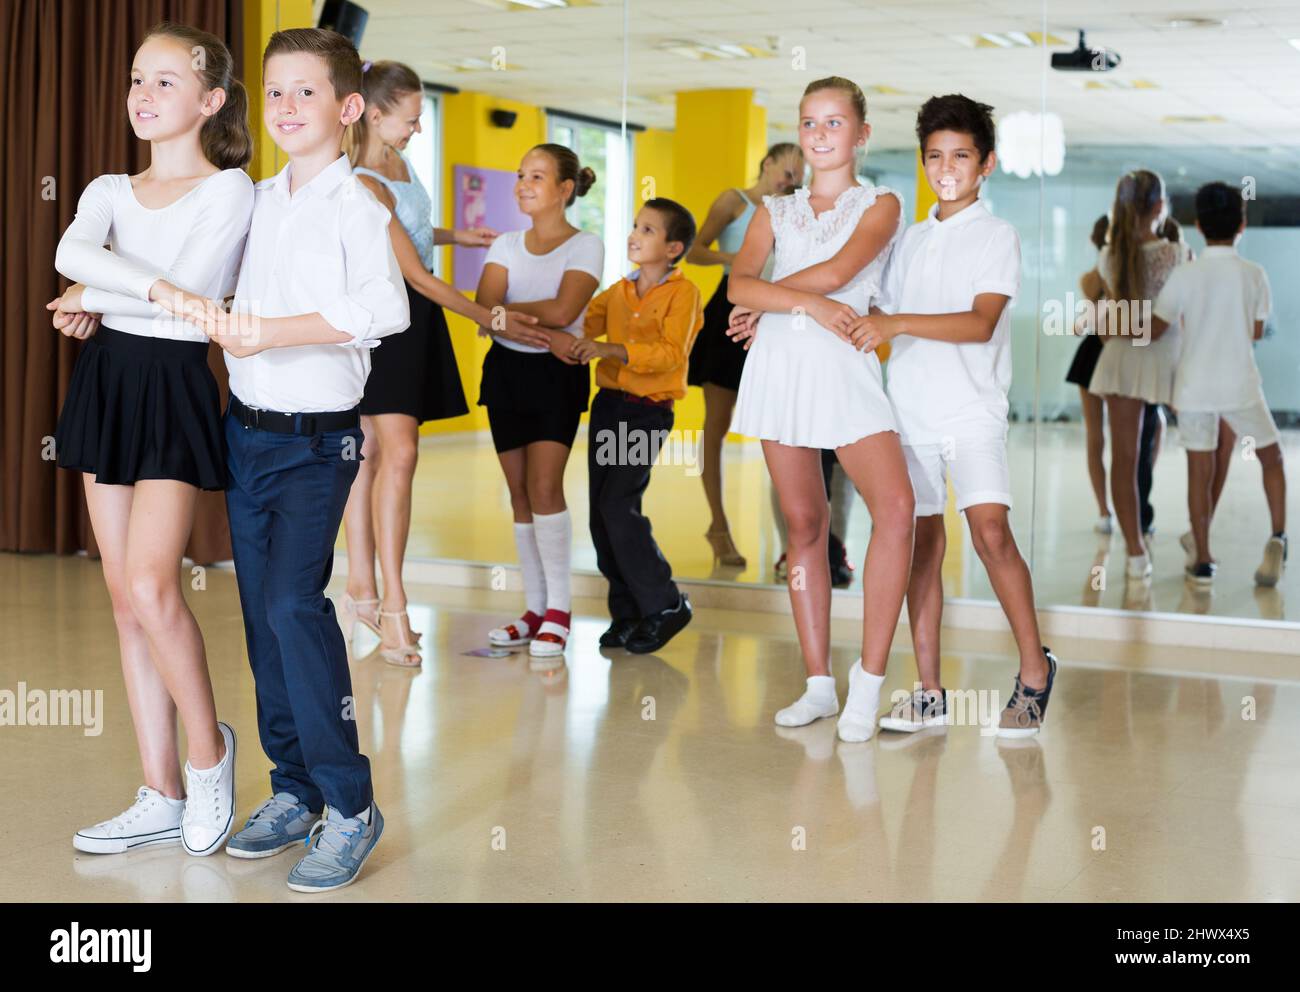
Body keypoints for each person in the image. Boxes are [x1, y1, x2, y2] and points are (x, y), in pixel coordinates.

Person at [183, 27, 408, 891]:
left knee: (292, 608)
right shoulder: (257, 196)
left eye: (305, 92)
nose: (284, 108)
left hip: (319, 444)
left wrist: (271, 331)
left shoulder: (360, 207)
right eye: (274, 92)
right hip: (248, 434)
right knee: (259, 617)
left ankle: (351, 805)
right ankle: (295, 788)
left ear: (348, 109)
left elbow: (379, 311)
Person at [50, 21, 251, 857]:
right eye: (138, 77)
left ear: (209, 100)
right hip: (106, 381)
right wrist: (136, 287)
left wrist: (100, 287)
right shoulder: (103, 189)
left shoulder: (230, 190)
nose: (143, 93)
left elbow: (200, 299)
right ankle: (159, 791)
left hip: (171, 384)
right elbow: (69, 249)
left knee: (153, 585)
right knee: (124, 600)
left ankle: (210, 761)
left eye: (166, 81)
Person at [852, 93, 1058, 738]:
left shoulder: (997, 236)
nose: (946, 168)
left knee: (991, 532)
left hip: (972, 411)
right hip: (906, 412)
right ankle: (930, 691)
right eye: (935, 156)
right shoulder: (907, 240)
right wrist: (771, 309)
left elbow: (980, 322)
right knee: (919, 547)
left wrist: (897, 322)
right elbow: (858, 304)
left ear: (986, 163)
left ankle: (1034, 671)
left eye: (960, 156)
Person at [726, 76, 914, 743]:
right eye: (809, 122)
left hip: (844, 364)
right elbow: (735, 285)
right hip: (780, 364)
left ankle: (868, 685)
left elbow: (839, 274)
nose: (820, 135)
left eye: (835, 123)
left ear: (861, 135)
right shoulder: (773, 210)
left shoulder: (882, 203)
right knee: (804, 525)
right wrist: (787, 303)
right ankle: (817, 685)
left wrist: (768, 296)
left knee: (894, 511)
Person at [338, 59, 538, 666]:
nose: (418, 129)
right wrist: (490, 316)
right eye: (412, 118)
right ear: (375, 114)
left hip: (413, 319)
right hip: (388, 320)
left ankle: (362, 592)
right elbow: (417, 276)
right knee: (394, 453)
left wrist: (459, 237)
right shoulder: (362, 180)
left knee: (377, 455)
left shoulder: (399, 165)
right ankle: (385, 598)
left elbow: (413, 233)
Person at [475, 144, 604, 666]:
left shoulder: (586, 245)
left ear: (565, 189)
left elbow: (565, 307)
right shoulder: (505, 244)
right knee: (519, 494)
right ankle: (533, 611)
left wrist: (504, 312)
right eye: (521, 175)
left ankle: (560, 611)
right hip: (505, 373)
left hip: (557, 375)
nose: (524, 184)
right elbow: (483, 316)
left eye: (537, 176)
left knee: (546, 486)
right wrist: (518, 321)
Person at [572, 197, 703, 653]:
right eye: (634, 226)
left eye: (648, 230)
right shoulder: (618, 291)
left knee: (618, 506)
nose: (634, 235)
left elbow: (671, 353)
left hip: (645, 412)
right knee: (600, 515)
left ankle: (666, 605)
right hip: (609, 407)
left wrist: (613, 351)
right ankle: (626, 613)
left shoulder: (683, 293)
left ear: (673, 248)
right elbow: (581, 324)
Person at [1152, 181, 1287, 587]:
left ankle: (1204, 561)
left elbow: (1159, 326)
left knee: (1199, 470)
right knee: (1272, 458)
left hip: (1194, 387)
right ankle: (1278, 536)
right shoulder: (1253, 274)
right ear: (1241, 225)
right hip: (1241, 383)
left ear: (1198, 225)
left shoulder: (1186, 273)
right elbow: (1258, 329)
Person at [686, 143, 803, 567]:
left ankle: (792, 542)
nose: (789, 180)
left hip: (772, 313)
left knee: (780, 427)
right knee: (716, 425)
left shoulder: (793, 209)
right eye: (785, 171)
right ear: (766, 164)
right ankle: (717, 526)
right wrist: (736, 258)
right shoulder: (734, 200)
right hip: (728, 308)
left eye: (797, 175)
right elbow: (693, 248)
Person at [1087, 169, 1186, 583]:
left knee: (1123, 460)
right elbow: (1164, 324)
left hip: (1123, 359)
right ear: (1160, 207)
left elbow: (1112, 323)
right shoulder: (1176, 253)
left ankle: (1135, 552)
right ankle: (1193, 543)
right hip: (1163, 359)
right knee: (1201, 448)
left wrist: (1123, 323)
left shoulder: (1109, 256)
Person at [1064, 214, 1113, 532]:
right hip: (1110, 353)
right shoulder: (1104, 277)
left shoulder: (1091, 278)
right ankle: (1107, 511)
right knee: (1110, 438)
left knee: (1098, 438)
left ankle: (1105, 512)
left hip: (1095, 352)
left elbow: (1087, 320)